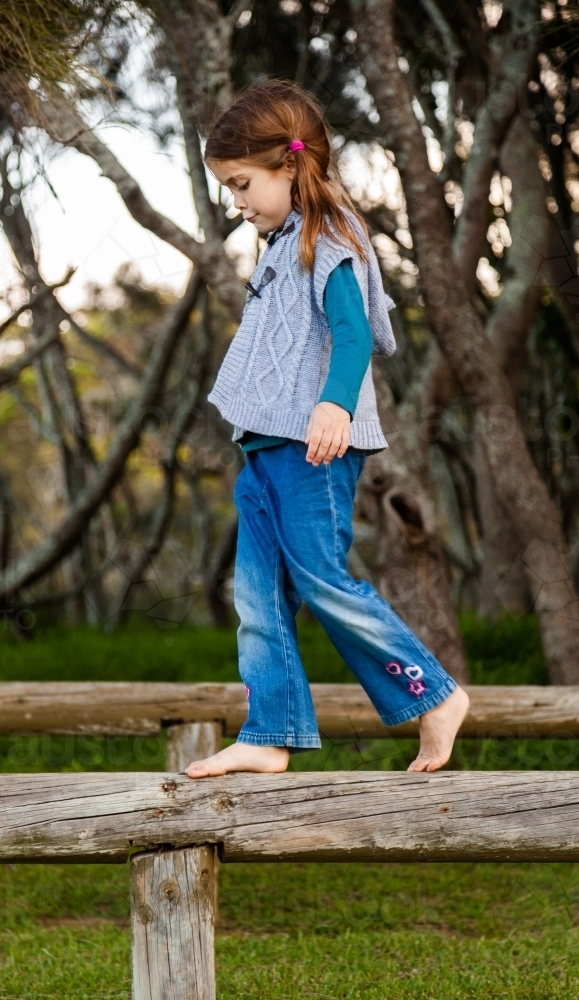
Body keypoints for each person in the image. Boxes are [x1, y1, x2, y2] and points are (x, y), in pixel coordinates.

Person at [185, 79, 469, 779]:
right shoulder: (279, 243)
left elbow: (351, 336)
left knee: (322, 581)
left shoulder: (330, 232)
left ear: (287, 166)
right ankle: (269, 731)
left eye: (243, 183)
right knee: (254, 597)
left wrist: (335, 406)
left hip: (312, 448)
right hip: (263, 449)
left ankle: (431, 694)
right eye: (228, 187)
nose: (237, 200)